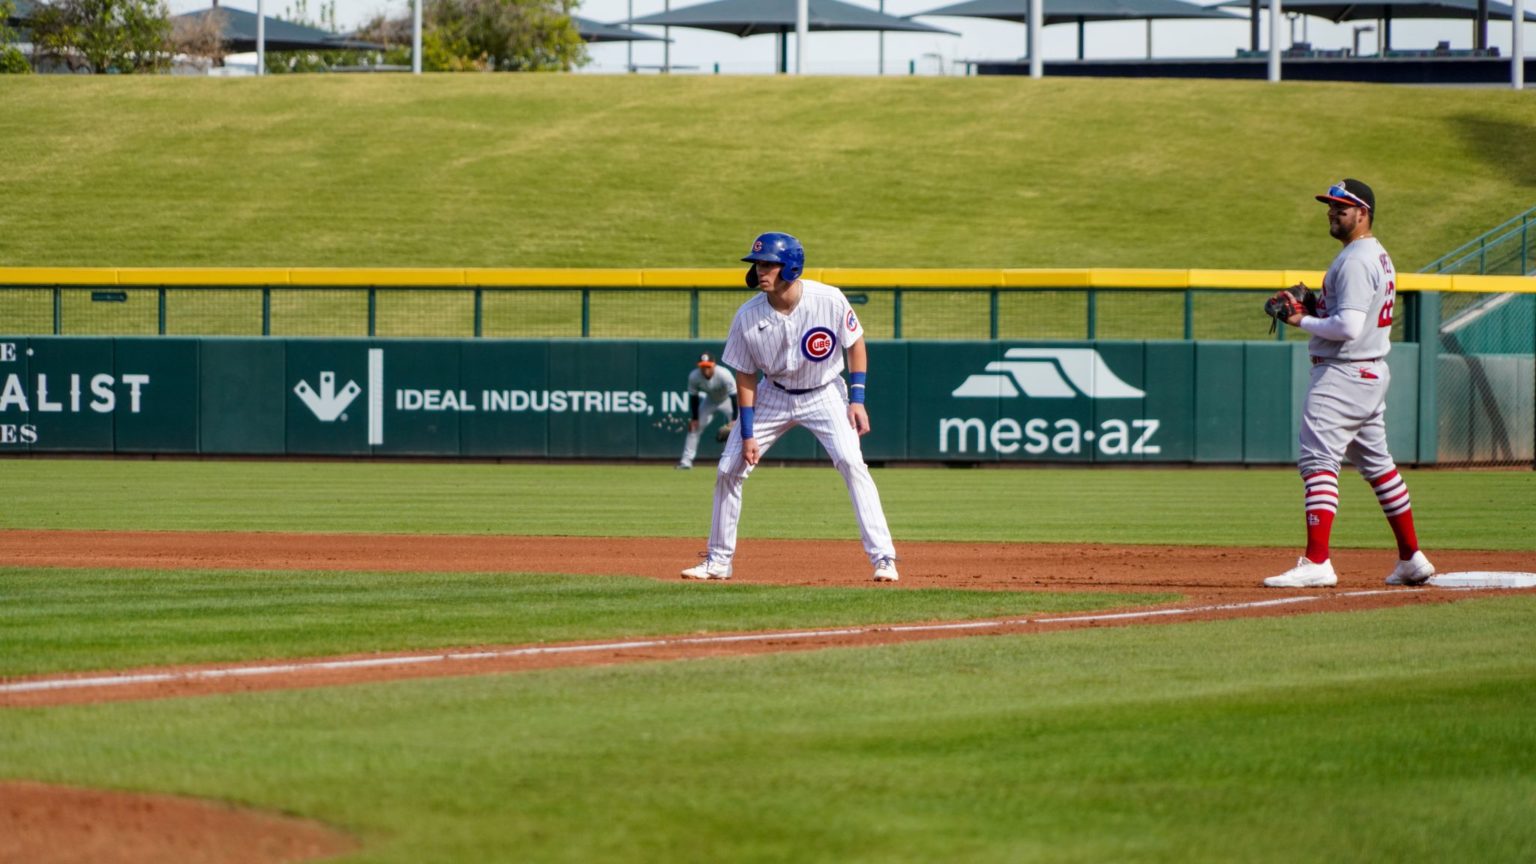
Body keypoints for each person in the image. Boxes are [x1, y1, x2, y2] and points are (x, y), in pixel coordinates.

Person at [680, 232, 899, 583]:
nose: (760, 270)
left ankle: (884, 558)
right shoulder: (747, 316)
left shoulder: (828, 299)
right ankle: (718, 561)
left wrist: (857, 400)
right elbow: (746, 377)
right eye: (758, 263)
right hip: (774, 394)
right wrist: (748, 433)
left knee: (851, 462)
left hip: (825, 392)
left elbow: (855, 344)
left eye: (768, 263)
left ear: (791, 267)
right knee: (728, 469)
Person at [1264, 179, 1434, 589]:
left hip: (1343, 372)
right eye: (1330, 206)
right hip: (1368, 373)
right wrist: (1318, 303)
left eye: (1342, 207)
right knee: (1379, 467)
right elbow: (1347, 313)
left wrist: (1299, 319)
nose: (1332, 212)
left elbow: (1349, 326)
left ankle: (1318, 561)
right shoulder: (1374, 255)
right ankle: (1411, 557)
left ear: (1364, 213)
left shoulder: (1356, 260)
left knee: (1318, 461)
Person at [676, 353, 738, 470]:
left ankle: (735, 462)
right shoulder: (694, 376)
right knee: (694, 428)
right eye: (703, 366)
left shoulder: (724, 374)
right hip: (710, 401)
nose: (705, 369)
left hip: (727, 400)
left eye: (708, 366)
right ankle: (686, 461)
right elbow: (693, 397)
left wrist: (735, 419)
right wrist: (694, 418)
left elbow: (735, 397)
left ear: (714, 365)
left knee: (738, 428)